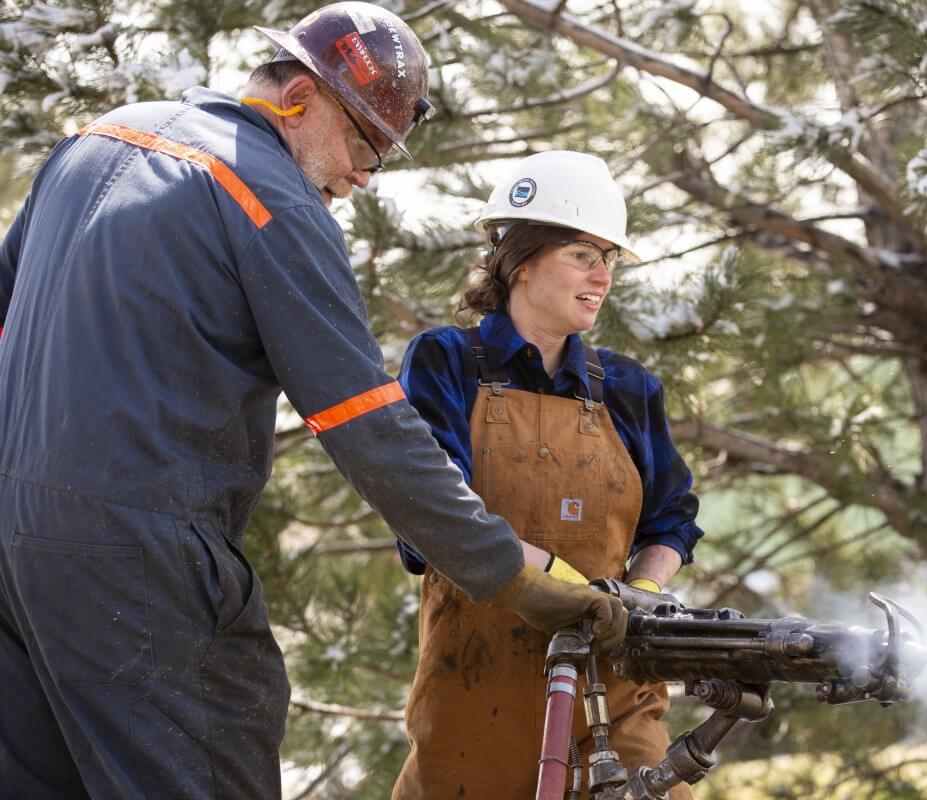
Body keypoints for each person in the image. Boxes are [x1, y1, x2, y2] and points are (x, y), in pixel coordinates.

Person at [0, 5, 624, 798]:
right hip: (140, 553)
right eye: (364, 141)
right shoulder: (272, 201)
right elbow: (364, 422)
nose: (365, 175)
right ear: (299, 97)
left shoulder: (101, 137)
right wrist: (507, 568)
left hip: (15, 552)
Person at [392, 150, 704, 799]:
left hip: (613, 688)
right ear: (522, 260)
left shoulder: (628, 388)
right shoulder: (447, 361)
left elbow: (672, 521)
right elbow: (431, 518)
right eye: (583, 255)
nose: (603, 276)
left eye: (608, 259)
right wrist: (561, 583)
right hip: (476, 692)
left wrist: (639, 594)